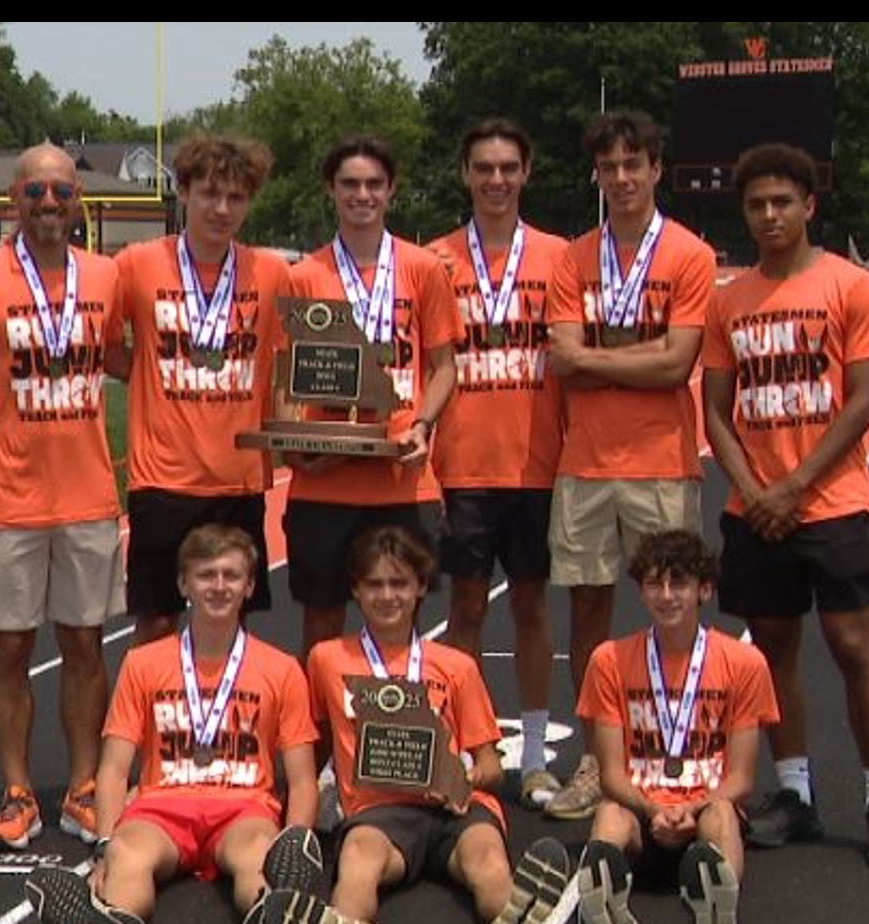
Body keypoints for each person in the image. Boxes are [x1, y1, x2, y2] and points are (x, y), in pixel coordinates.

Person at [699, 142, 869, 867]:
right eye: (757, 205)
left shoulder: (850, 287)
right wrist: (758, 491)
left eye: (782, 202)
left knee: (854, 646)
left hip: (832, 502)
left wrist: (795, 486)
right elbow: (716, 414)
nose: (769, 215)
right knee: (774, 652)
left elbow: (864, 402)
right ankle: (796, 796)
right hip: (755, 507)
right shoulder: (729, 301)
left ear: (809, 205)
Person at [259, 526, 571, 924]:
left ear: (421, 587)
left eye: (399, 583)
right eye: (375, 585)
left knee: (486, 861)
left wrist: (461, 779)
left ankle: (511, 921)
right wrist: (298, 807)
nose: (388, 596)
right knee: (358, 861)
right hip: (377, 811)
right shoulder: (327, 659)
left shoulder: (455, 666)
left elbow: (491, 766)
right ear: (356, 590)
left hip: (455, 810)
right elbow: (315, 740)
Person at [0, 142, 126, 851]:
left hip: (88, 497)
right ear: (13, 198)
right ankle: (17, 791)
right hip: (7, 500)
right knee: (8, 650)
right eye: (36, 192)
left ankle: (80, 787)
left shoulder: (105, 276)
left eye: (61, 192)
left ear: (78, 200)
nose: (49, 203)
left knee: (86, 645)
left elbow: (133, 361)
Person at [22, 525, 323, 924]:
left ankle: (273, 907)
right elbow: (111, 768)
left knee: (259, 853)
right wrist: (104, 847)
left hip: (243, 807)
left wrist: (297, 838)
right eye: (206, 575)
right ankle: (113, 922)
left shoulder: (279, 669)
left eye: (231, 576)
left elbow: (302, 779)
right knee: (127, 854)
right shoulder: (144, 663)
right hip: (161, 806)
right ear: (184, 583)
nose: (219, 586)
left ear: (250, 586)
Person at [542, 110, 716, 821]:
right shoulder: (572, 258)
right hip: (584, 461)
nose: (620, 177)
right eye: (608, 167)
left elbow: (678, 363)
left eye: (632, 164)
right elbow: (563, 363)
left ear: (656, 170)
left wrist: (595, 357)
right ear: (597, 175)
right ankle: (598, 762)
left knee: (671, 609)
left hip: (662, 461)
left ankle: (670, 756)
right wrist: (626, 363)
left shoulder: (689, 255)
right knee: (588, 609)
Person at [425, 120, 567, 809]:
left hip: (540, 464)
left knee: (534, 608)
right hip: (463, 464)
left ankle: (536, 755)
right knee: (466, 610)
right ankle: (466, 749)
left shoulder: (562, 258)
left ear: (526, 172)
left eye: (508, 167)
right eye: (483, 168)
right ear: (466, 175)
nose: (496, 180)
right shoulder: (434, 262)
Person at [282, 135, 461, 663]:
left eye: (374, 184)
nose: (362, 195)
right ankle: (314, 744)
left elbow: (444, 366)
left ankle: (397, 734)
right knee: (321, 623)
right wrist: (296, 446)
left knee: (405, 623)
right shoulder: (303, 276)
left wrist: (423, 425)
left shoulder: (422, 269)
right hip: (325, 483)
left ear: (391, 190)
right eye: (350, 184)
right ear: (330, 190)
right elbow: (284, 378)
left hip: (402, 478)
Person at [110, 135, 293, 646]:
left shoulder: (272, 272)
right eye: (210, 193)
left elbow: (290, 360)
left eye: (236, 197)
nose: (222, 208)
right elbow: (105, 345)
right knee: (158, 622)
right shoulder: (137, 264)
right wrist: (150, 373)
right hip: (162, 479)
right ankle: (151, 726)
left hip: (238, 480)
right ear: (183, 192)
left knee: (231, 624)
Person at [570, 530, 771, 924]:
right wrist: (651, 810)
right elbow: (611, 774)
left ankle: (718, 911)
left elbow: (740, 778)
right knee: (609, 812)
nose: (666, 596)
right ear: (640, 591)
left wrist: (692, 810)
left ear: (705, 589)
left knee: (722, 815)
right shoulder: (608, 660)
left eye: (678, 583)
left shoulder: (743, 663)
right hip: (643, 821)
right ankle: (603, 914)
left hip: (702, 820)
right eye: (654, 584)